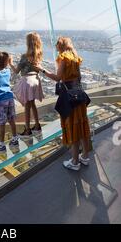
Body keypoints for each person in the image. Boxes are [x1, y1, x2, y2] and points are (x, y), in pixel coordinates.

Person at [37, 36, 91, 171]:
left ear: (60, 46)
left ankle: (75, 161)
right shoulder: (75, 58)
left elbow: (57, 78)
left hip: (70, 100)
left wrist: (42, 70)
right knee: (82, 126)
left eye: (57, 47)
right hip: (79, 97)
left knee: (73, 128)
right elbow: (79, 78)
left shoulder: (63, 58)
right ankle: (84, 156)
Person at [9, 32, 44, 136]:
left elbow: (16, 71)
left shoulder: (25, 56)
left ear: (28, 43)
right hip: (36, 80)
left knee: (27, 107)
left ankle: (28, 130)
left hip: (27, 81)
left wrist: (10, 63)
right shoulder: (39, 54)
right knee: (33, 104)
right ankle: (37, 126)